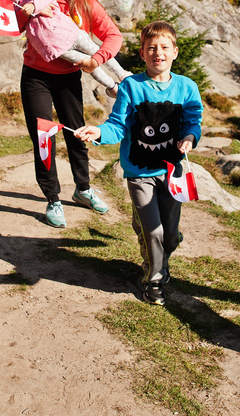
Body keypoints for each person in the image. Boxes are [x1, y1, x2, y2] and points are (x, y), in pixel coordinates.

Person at [75, 21, 203, 306]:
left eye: (164, 48)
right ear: (143, 54)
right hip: (139, 172)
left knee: (170, 236)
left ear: (175, 53)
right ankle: (153, 281)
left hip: (173, 172)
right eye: (151, 48)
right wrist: (98, 133)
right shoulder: (131, 86)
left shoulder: (187, 87)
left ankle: (159, 247)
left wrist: (190, 137)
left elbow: (194, 120)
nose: (158, 52)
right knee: (153, 232)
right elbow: (117, 126)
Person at [7, 0, 122, 228]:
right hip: (36, 76)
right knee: (43, 137)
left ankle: (83, 190)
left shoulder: (85, 2)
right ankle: (53, 199)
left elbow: (113, 36)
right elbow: (12, 23)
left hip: (69, 76)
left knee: (77, 132)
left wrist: (97, 59)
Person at [0, 0, 131, 98]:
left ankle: (122, 74)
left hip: (72, 34)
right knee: (88, 65)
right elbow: (3, 14)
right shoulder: (14, 5)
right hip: (58, 49)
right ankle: (112, 87)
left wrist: (33, 6)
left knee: (95, 52)